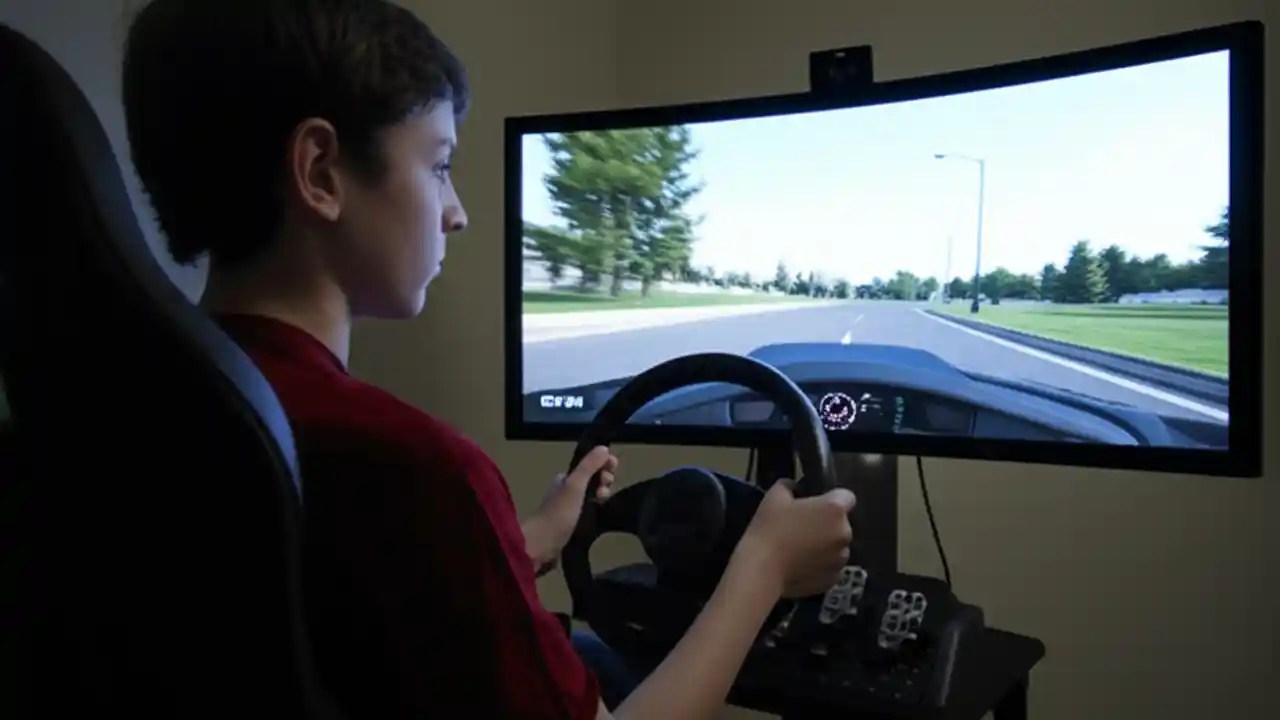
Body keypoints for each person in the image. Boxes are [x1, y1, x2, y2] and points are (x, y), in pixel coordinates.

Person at [121, 1, 857, 718]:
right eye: (438, 165)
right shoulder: (410, 466)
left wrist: (527, 536)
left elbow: (333, 599)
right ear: (320, 172)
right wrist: (763, 567)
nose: (457, 211)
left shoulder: (133, 401)